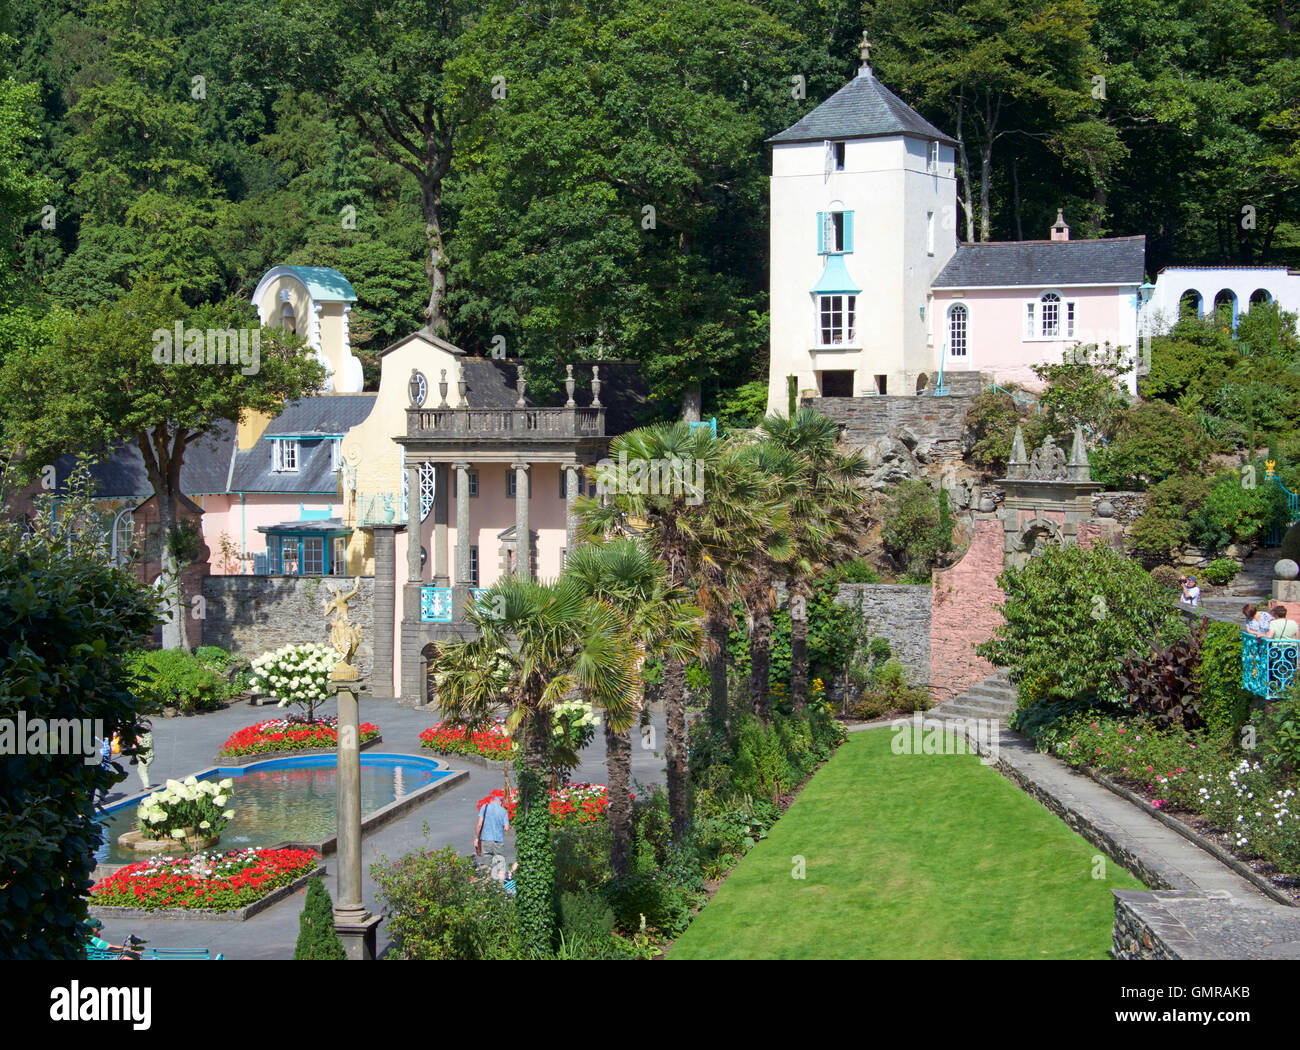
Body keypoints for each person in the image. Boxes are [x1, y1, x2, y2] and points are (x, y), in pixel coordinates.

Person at [474, 791, 511, 879]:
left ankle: (489, 883)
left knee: (487, 866)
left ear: (492, 800)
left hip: (486, 840)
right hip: (498, 841)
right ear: (501, 802)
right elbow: (506, 828)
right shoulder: (503, 811)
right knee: (500, 864)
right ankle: (500, 885)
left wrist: (476, 838)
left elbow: (479, 824)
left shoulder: (485, 807)